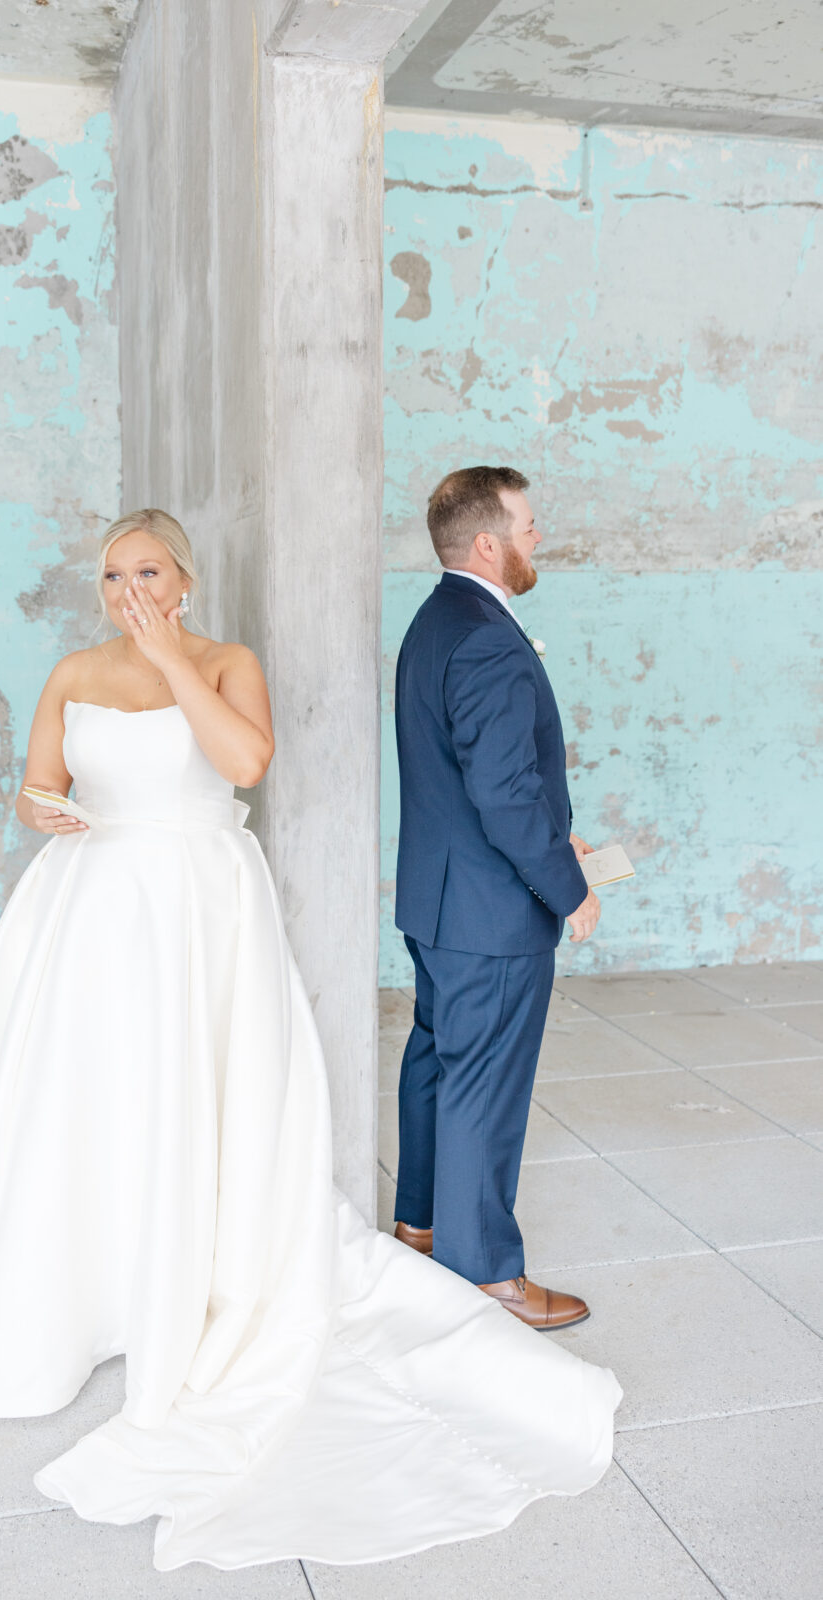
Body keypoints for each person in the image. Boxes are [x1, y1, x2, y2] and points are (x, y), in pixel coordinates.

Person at [0, 508, 620, 1570]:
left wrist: (169, 659)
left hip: (199, 906)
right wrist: (42, 809)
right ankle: (78, 1282)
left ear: (184, 579)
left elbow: (246, 760)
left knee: (192, 1095)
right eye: (113, 571)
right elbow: (39, 788)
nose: (128, 585)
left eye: (148, 568)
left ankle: (195, 1267)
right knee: (81, 1101)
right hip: (89, 908)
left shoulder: (222, 660)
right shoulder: (72, 671)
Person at [393, 466, 600, 1328]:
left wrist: (557, 836)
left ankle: (419, 1225)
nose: (536, 537)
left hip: (440, 901)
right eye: (526, 524)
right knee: (484, 1084)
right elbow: (504, 793)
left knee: (437, 1064)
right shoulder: (484, 637)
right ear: (489, 543)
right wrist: (567, 884)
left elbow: (469, 777)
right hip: (490, 914)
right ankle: (486, 1276)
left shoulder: (438, 620)